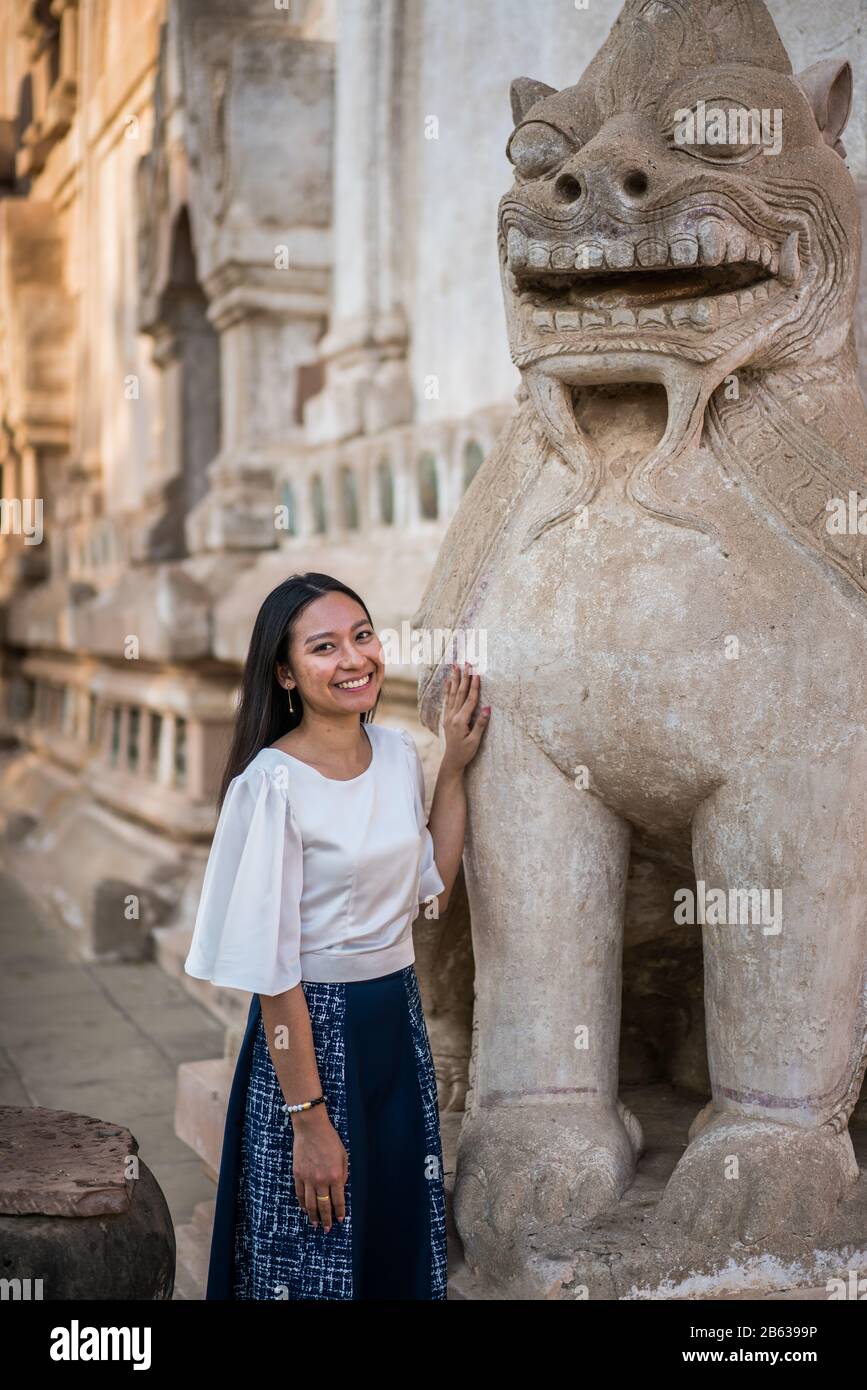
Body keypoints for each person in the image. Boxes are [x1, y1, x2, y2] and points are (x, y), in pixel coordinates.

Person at [184, 571, 490, 1300]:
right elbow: (274, 973)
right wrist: (309, 1123)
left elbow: (433, 890)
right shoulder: (270, 785)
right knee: (313, 1255)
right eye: (324, 647)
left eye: (361, 636)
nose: (354, 659)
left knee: (392, 1238)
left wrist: (452, 765)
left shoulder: (394, 755)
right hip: (309, 1035)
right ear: (286, 673)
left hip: (396, 1023)